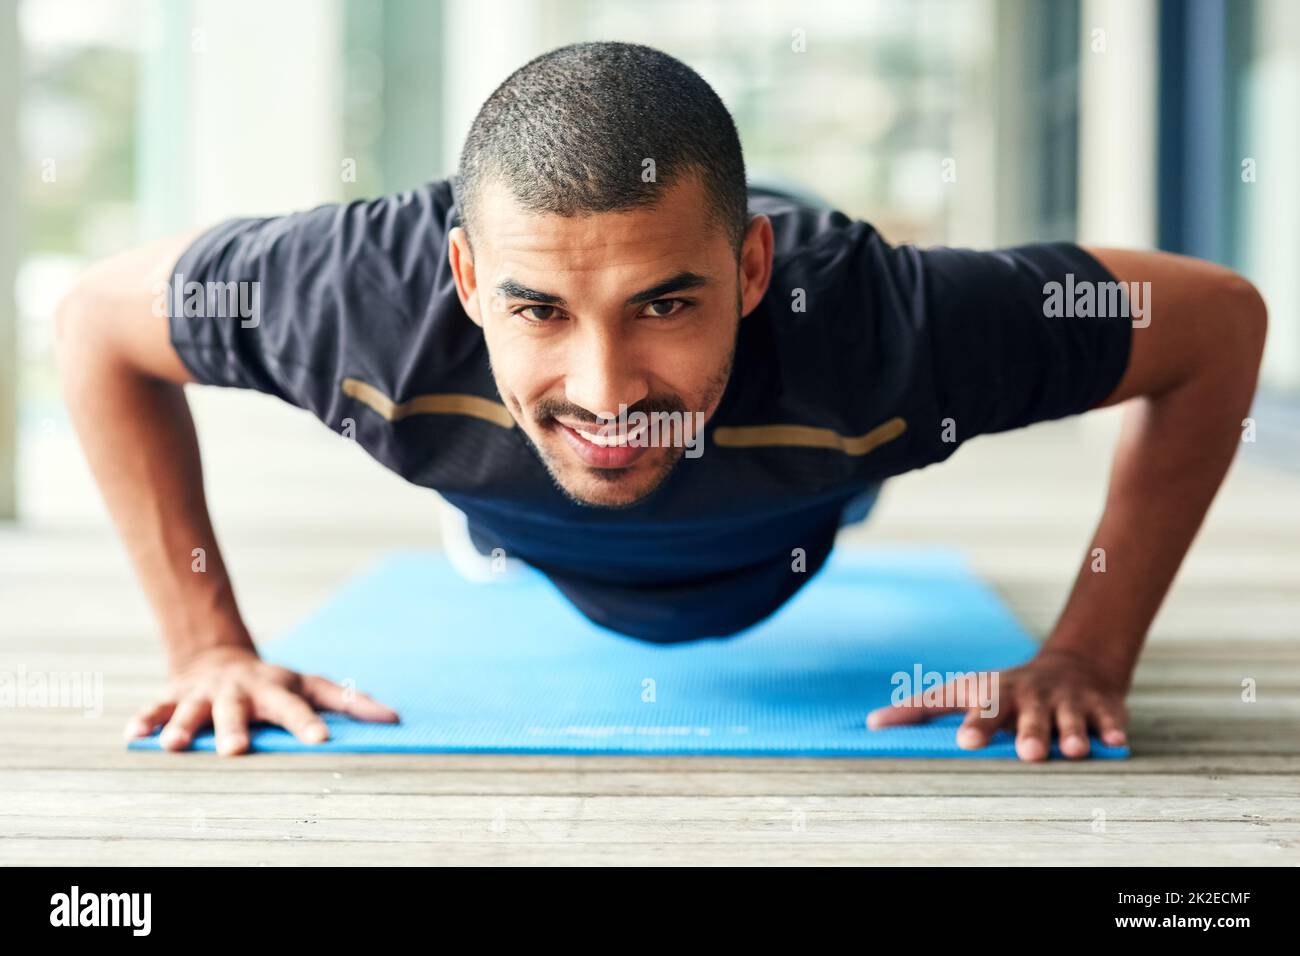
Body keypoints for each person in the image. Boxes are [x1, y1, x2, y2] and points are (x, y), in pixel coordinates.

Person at [55, 42, 1267, 761]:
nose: (606, 388)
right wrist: (207, 645)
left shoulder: (882, 327)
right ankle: (492, 508)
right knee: (534, 447)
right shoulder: (354, 299)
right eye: (539, 309)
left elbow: (1215, 325)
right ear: (466, 277)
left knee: (850, 429)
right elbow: (98, 325)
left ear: (752, 270)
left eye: (664, 304)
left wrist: (1087, 653)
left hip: (804, 505)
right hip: (512, 498)